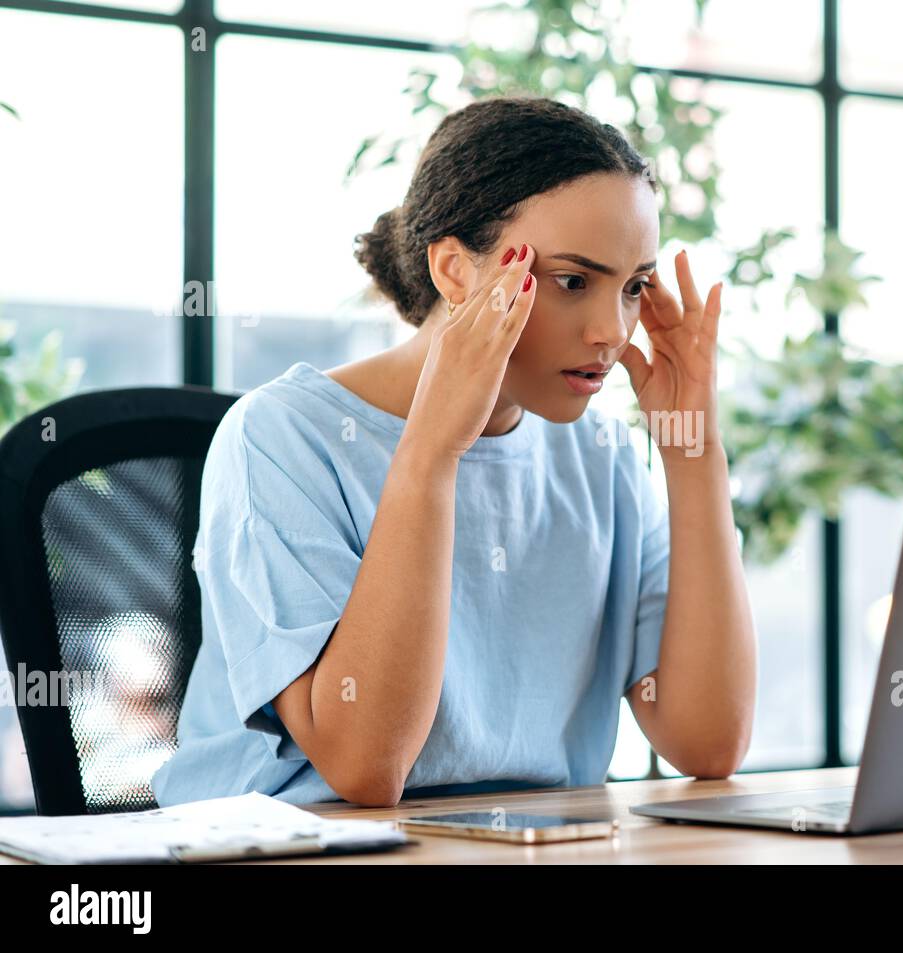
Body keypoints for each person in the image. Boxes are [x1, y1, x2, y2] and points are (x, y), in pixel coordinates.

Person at [151, 94, 756, 807]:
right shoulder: (283, 437)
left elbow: (707, 742)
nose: (611, 331)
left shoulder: (604, 459)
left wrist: (693, 456)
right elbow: (365, 767)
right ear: (455, 271)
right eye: (572, 282)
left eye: (633, 288)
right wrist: (433, 453)